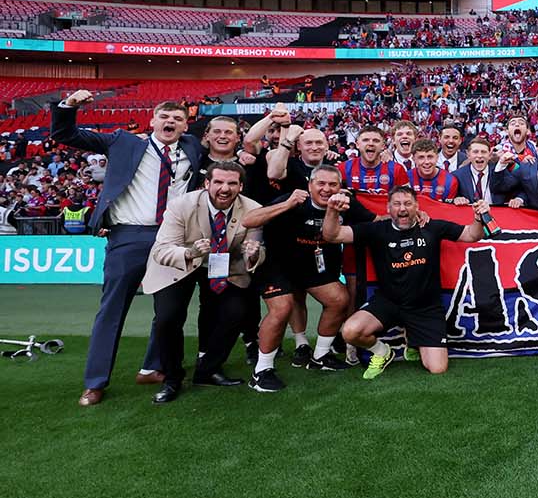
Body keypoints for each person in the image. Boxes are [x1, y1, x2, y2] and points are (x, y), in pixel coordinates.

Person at [51, 90, 206, 407]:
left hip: (172, 238)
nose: (170, 122)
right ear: (152, 121)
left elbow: (222, 148)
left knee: (168, 310)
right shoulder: (123, 141)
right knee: (111, 310)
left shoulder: (192, 148)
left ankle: (152, 367)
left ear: (185, 127)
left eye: (177, 118)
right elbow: (64, 134)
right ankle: (94, 383)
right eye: (164, 116)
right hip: (129, 236)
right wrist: (69, 105)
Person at [321, 185, 488, 379]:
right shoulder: (377, 230)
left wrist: (478, 218)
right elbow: (332, 235)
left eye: (408, 204)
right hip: (388, 302)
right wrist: (332, 210)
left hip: (425, 307)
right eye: (397, 204)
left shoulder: (431, 227)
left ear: (417, 206)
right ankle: (383, 352)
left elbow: (472, 235)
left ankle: (414, 340)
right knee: (350, 331)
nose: (402, 209)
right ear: (388, 208)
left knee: (437, 368)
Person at [143, 162, 265, 404]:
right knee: (168, 317)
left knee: (236, 311)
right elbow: (162, 251)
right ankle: (172, 378)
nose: (225, 188)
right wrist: (190, 252)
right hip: (180, 264)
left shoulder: (253, 209)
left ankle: (207, 370)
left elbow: (257, 251)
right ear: (206, 183)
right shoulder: (181, 205)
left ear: (240, 186)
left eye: (232, 183)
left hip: (225, 267)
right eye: (218, 182)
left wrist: (254, 253)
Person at [241, 165, 365, 380]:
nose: (326, 189)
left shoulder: (344, 204)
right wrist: (287, 205)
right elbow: (248, 220)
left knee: (339, 299)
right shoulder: (293, 199)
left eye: (332, 184)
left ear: (340, 187)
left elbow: (376, 221)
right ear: (310, 185)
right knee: (282, 308)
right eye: (321, 184)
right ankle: (262, 370)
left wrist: (415, 215)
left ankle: (321, 356)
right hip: (277, 266)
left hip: (312, 267)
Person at [451, 138, 509, 206]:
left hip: (496, 214)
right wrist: (456, 199)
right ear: (468, 155)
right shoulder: (457, 175)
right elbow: (450, 198)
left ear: (489, 155)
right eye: (475, 152)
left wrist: (518, 198)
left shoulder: (500, 171)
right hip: (469, 214)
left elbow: (517, 187)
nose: (480, 156)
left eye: (483, 152)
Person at [407, 139, 460, 203]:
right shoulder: (406, 178)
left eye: (430, 157)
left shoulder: (450, 181)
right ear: (414, 159)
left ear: (437, 157)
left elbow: (449, 208)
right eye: (421, 157)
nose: (426, 162)